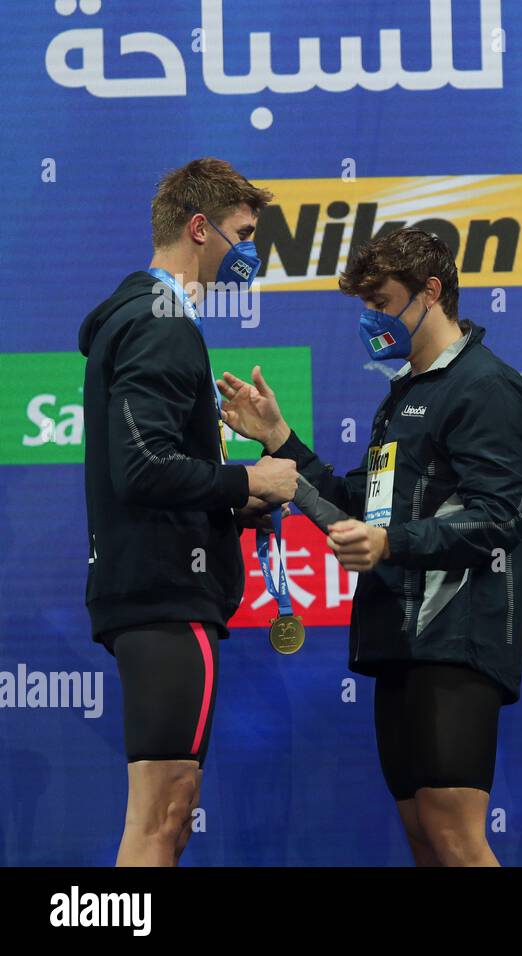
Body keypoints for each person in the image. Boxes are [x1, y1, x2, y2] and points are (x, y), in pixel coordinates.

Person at [217, 228, 522, 867]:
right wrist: (280, 440)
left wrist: (391, 543)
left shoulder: (487, 386)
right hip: (396, 640)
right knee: (424, 834)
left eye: (383, 302)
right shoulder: (404, 396)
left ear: (431, 291)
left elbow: (499, 518)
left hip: (457, 639)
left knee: (454, 834)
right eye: (364, 306)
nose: (372, 320)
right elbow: (356, 508)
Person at [79, 157, 298, 866]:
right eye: (241, 233)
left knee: (164, 813)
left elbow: (151, 470)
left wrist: (235, 503)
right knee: (164, 816)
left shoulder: (146, 317)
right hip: (166, 597)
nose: (249, 254)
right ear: (198, 229)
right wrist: (247, 482)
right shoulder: (161, 320)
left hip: (152, 590)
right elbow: (141, 468)